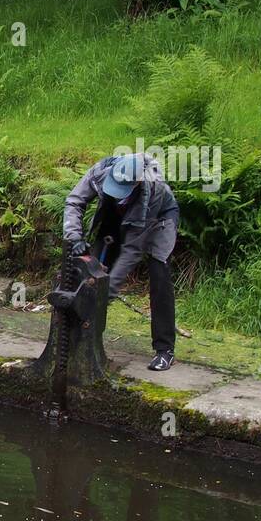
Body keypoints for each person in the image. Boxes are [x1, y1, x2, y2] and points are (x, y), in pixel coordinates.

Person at [63, 151, 179, 371]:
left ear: (136, 184)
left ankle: (165, 350)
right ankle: (82, 336)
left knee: (159, 274)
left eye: (122, 190)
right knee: (91, 267)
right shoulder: (100, 171)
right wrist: (74, 237)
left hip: (158, 219)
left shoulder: (152, 189)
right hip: (117, 212)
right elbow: (74, 201)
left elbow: (132, 251)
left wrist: (104, 296)